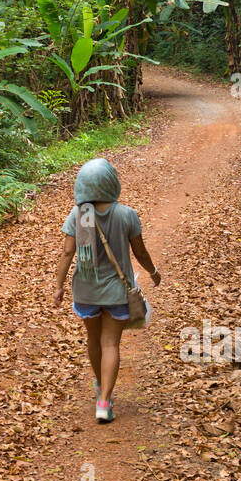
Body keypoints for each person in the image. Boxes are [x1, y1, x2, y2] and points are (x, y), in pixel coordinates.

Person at [52, 157, 160, 422]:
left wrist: (58, 286)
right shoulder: (126, 215)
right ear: (112, 183)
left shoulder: (80, 214)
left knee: (93, 339)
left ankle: (101, 386)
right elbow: (141, 252)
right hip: (116, 292)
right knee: (110, 342)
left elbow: (68, 252)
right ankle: (104, 402)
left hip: (86, 290)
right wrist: (153, 272)